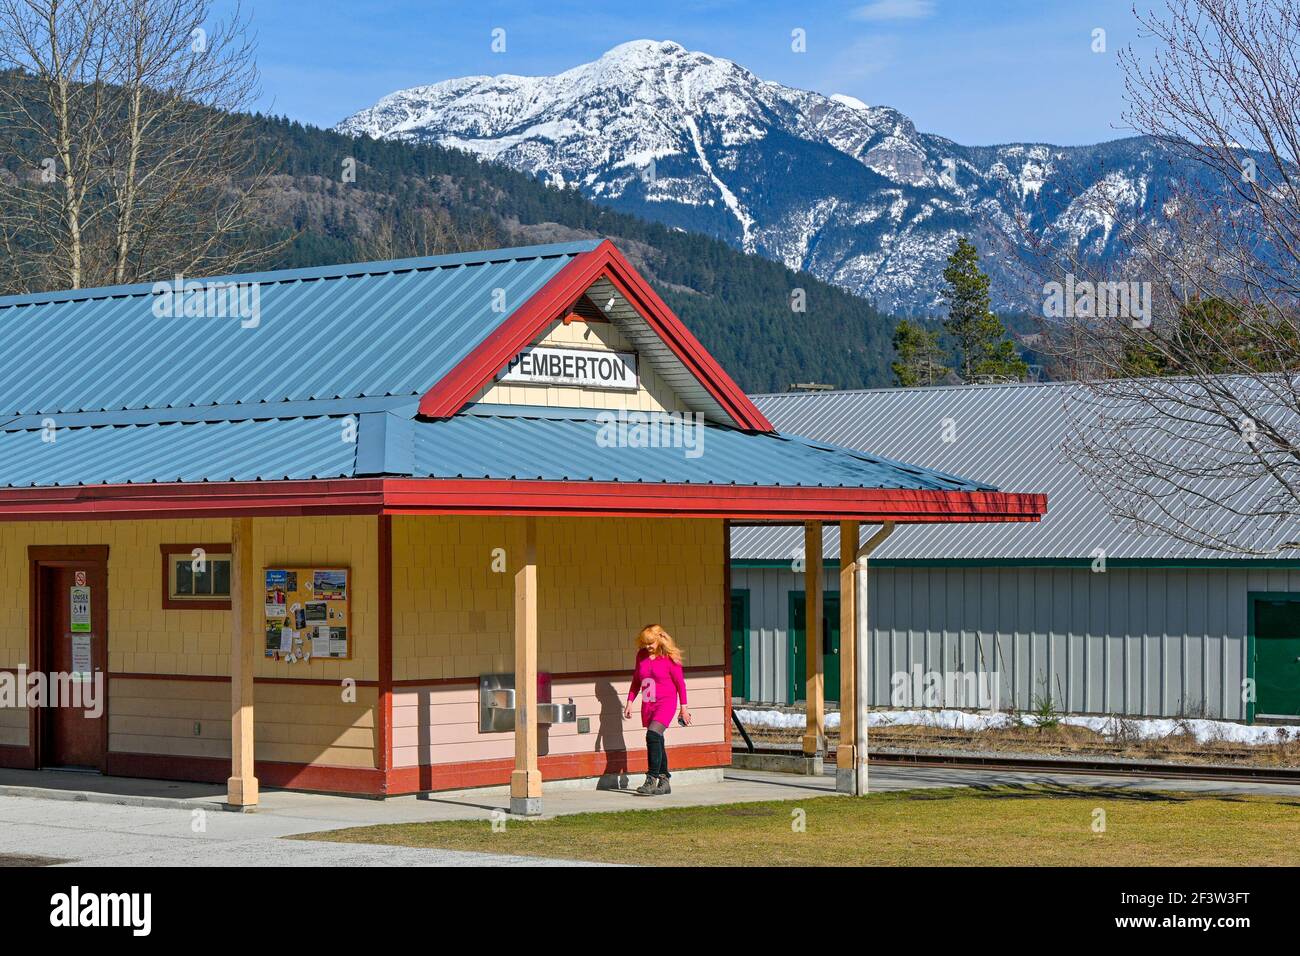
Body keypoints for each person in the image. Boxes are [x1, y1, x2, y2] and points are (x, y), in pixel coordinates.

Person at [624, 624, 691, 795]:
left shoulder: (670, 657)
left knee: (652, 735)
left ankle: (651, 779)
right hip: (648, 702)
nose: (648, 647)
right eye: (645, 643)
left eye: (651, 643)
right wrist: (630, 701)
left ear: (660, 639)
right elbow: (636, 681)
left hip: (666, 703)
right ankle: (664, 781)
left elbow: (680, 684)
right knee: (658, 740)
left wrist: (684, 708)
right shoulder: (641, 656)